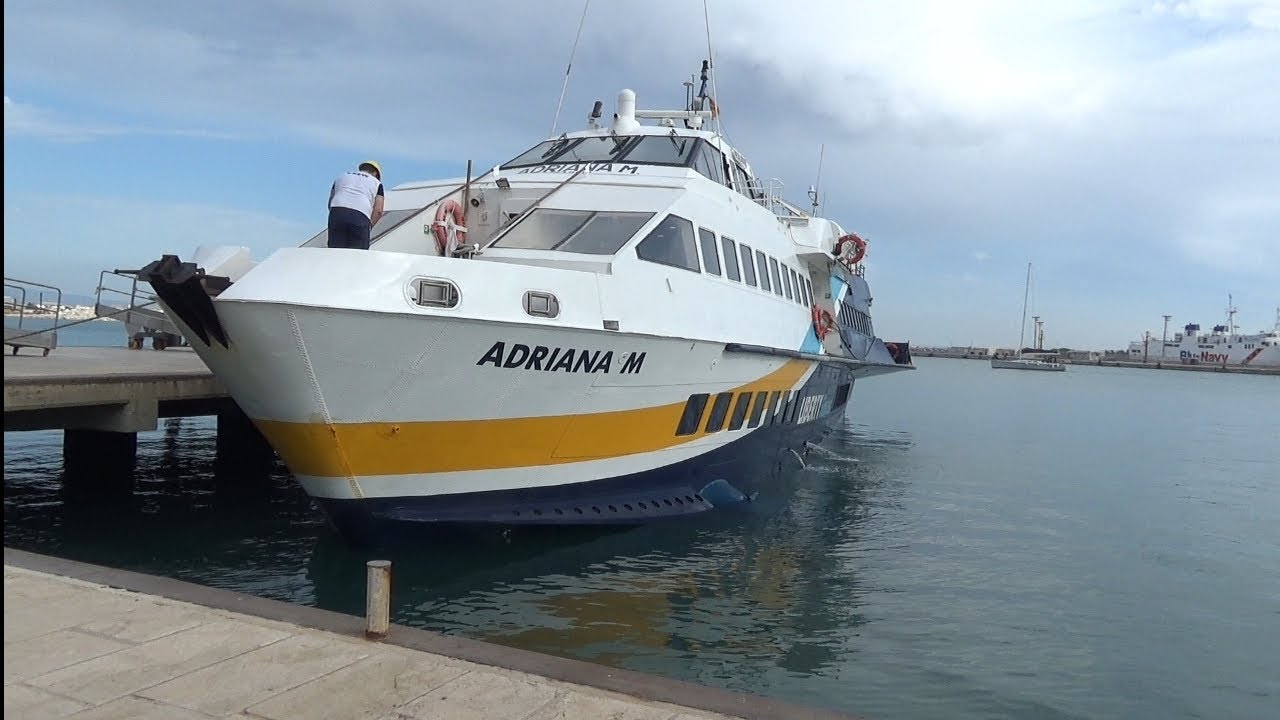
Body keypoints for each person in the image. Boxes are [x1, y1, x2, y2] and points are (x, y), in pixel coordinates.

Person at [327, 161, 385, 249]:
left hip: (337, 212)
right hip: (360, 215)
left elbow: (330, 201)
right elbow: (378, 210)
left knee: (335, 251)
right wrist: (369, 226)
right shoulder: (377, 183)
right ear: (375, 173)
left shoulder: (342, 176)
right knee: (358, 254)